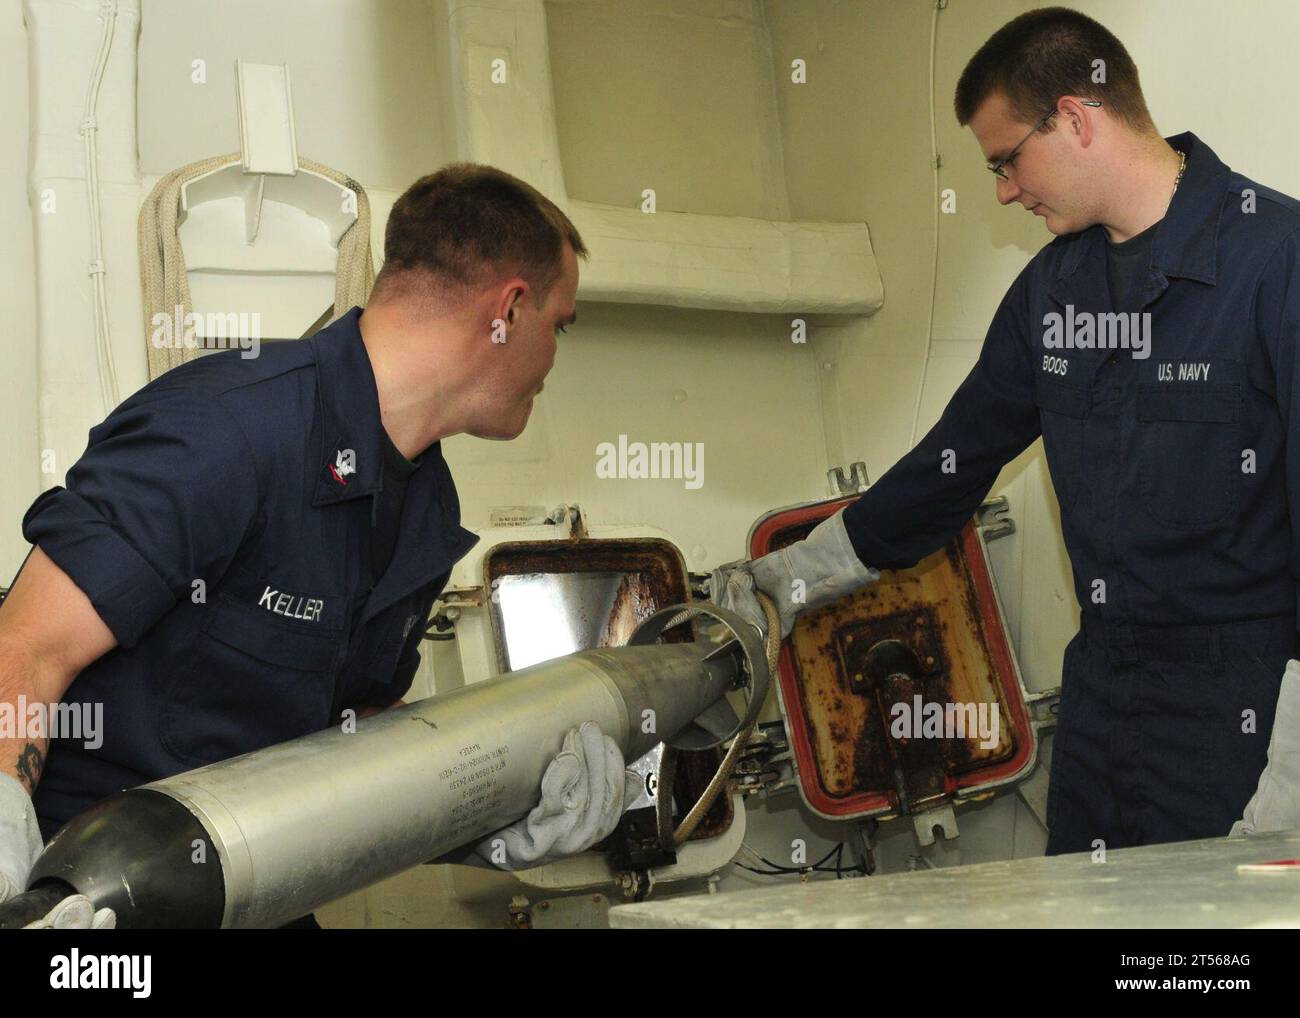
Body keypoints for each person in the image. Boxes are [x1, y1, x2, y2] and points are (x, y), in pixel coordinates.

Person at [715, 7, 1300, 855]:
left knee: (1205, 973)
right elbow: (950, 468)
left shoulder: (1275, 261)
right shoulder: (1052, 292)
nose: (1002, 191)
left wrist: (1293, 775)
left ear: (1075, 116)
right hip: (1104, 701)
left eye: (1006, 160)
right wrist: (787, 581)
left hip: (1245, 711)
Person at [0, 163, 636, 928]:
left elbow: (352, 732)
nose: (554, 359)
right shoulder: (227, 430)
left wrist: (489, 815)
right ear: (510, 307)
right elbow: (24, 647)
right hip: (80, 895)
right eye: (559, 325)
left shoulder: (428, 504)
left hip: (249, 895)